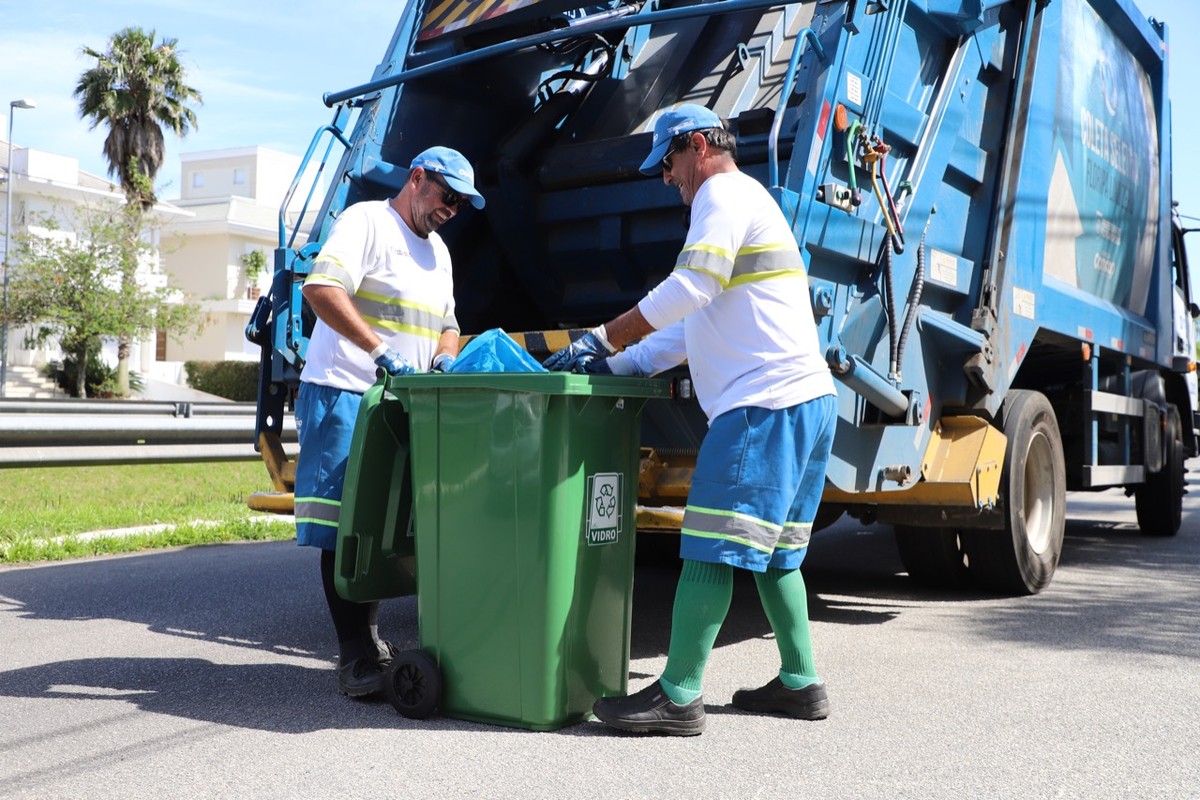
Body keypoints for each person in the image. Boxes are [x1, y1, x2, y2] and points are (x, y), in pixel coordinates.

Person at [544, 105, 838, 735]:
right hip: (808, 401)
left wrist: (600, 337)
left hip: (763, 404)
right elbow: (688, 324)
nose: (667, 178)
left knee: (709, 544)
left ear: (699, 146)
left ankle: (678, 695)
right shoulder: (743, 204)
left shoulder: (722, 194)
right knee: (779, 553)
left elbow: (690, 286)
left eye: (669, 163)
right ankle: (800, 680)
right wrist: (619, 364)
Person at [294, 145, 484, 697]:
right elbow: (321, 289)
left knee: (381, 526)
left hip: (401, 402)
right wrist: (379, 350)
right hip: (347, 391)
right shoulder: (367, 222)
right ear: (417, 178)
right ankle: (354, 655)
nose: (452, 209)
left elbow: (448, 321)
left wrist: (445, 355)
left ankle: (370, 639)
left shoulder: (440, 252)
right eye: (448, 196)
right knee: (344, 526)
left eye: (462, 204)